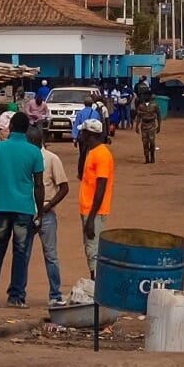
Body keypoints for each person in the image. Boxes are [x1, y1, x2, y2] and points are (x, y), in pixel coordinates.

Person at [0, 114, 46, 309]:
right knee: (20, 252)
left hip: (1, 207)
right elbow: (39, 185)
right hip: (24, 209)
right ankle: (15, 296)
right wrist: (40, 211)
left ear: (10, 126)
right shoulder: (34, 152)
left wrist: (0, 195)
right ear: (27, 129)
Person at [34, 121, 73, 308]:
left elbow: (64, 188)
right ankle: (18, 293)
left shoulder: (51, 159)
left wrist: (49, 207)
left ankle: (55, 293)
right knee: (23, 253)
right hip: (28, 211)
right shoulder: (27, 158)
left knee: (50, 254)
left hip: (46, 212)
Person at [78, 119, 114, 284]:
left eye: (83, 132)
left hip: (94, 211)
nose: (80, 134)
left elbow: (101, 187)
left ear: (90, 134)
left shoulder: (101, 155)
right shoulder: (92, 152)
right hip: (88, 209)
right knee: (89, 248)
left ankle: (96, 286)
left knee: (93, 250)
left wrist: (91, 218)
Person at [135, 89, 161, 165]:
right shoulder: (141, 106)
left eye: (147, 95)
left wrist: (159, 126)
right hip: (144, 125)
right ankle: (147, 158)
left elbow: (158, 115)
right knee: (145, 143)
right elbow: (139, 117)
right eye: (145, 95)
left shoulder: (154, 105)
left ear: (150, 96)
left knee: (152, 142)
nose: (146, 97)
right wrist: (137, 126)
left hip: (152, 125)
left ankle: (152, 156)